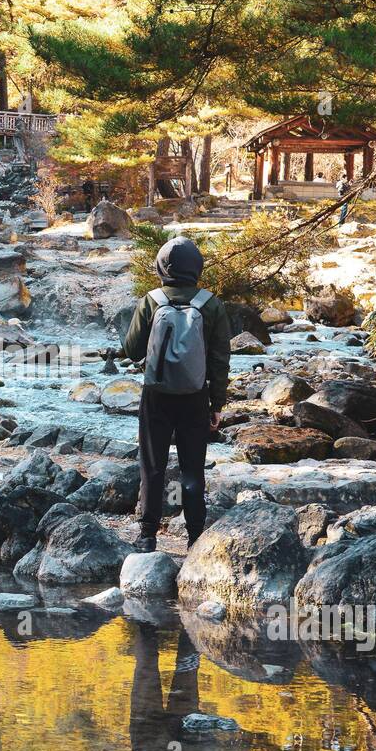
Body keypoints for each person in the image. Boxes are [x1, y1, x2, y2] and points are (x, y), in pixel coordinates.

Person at [122, 236, 231, 551]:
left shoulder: (151, 300)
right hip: (196, 395)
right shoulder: (211, 304)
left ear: (160, 267)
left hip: (156, 393)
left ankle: (147, 536)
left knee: (152, 465)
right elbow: (219, 360)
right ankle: (195, 536)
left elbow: (131, 351)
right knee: (192, 467)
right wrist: (217, 404)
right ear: (196, 267)